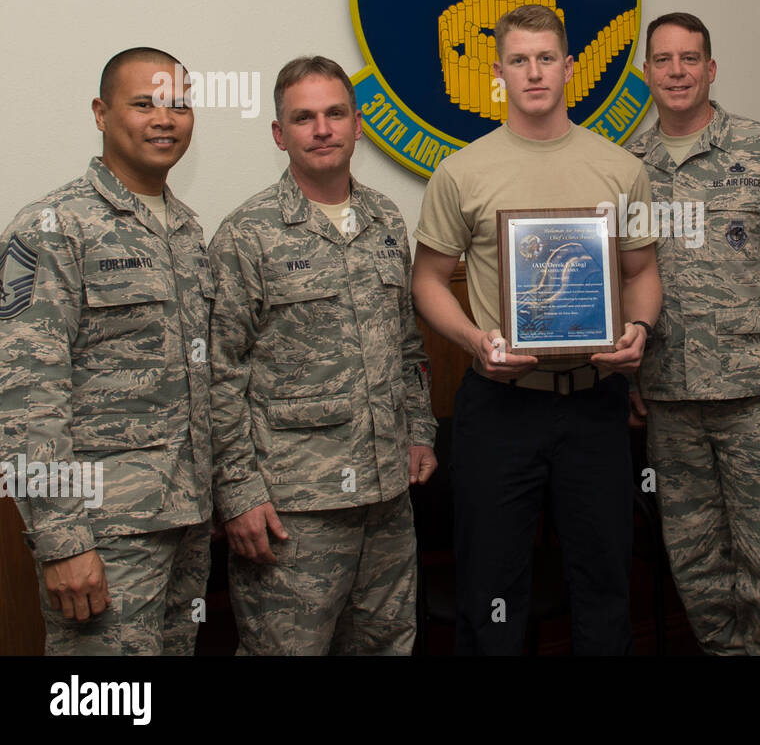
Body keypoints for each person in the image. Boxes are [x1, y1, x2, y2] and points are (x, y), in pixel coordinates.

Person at [411, 4, 662, 655]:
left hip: (596, 404)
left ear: (570, 66)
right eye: (518, 60)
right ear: (498, 73)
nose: (534, 72)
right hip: (499, 407)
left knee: (605, 586)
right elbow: (428, 281)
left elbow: (641, 271)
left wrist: (638, 327)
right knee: (493, 592)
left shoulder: (620, 168)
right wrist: (474, 343)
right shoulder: (461, 171)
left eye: (546, 57)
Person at [624, 12, 760, 655]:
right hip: (669, 400)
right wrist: (628, 377)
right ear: (647, 73)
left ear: (711, 69)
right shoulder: (627, 167)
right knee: (697, 567)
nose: (676, 71)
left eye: (689, 58)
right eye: (663, 60)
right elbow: (615, 281)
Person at [208, 55, 437, 655]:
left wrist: (420, 432)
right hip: (295, 509)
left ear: (358, 124)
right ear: (280, 134)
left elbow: (408, 343)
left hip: (388, 499)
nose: (322, 128)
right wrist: (238, 493)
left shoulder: (386, 220)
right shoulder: (246, 234)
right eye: (304, 118)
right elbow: (219, 374)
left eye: (335, 113)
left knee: (387, 644)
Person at [0, 47, 212, 654]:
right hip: (104, 532)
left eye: (178, 105)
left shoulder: (187, 232)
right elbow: (25, 397)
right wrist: (63, 539)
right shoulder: (54, 227)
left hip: (186, 520)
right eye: (143, 103)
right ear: (101, 112)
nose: (164, 119)